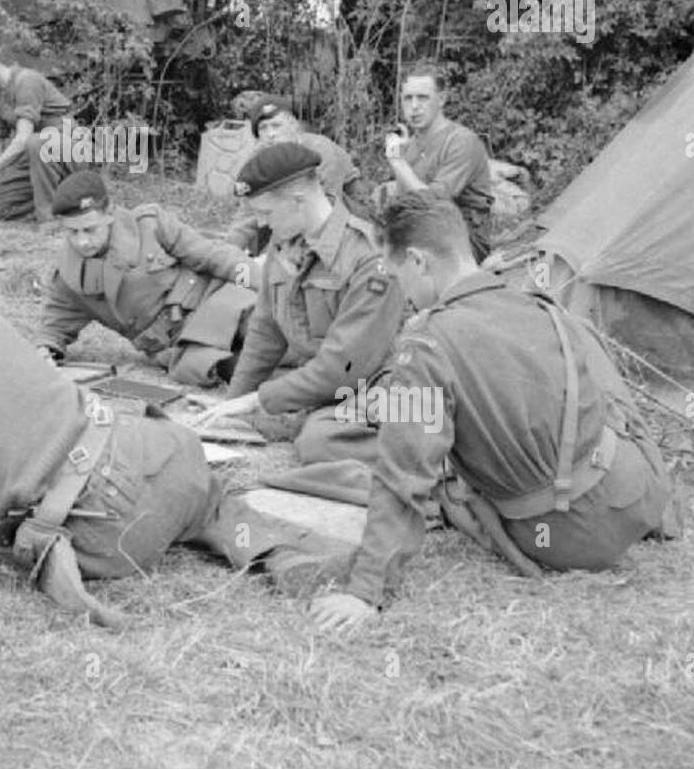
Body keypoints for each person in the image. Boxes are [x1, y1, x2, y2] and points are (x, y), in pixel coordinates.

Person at [0, 246, 367, 622]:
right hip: (164, 454)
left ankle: (245, 541)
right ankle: (277, 548)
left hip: (107, 530)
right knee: (202, 500)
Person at [311, 192, 678, 634]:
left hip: (570, 538)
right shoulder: (541, 305)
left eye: (398, 276)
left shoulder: (426, 345)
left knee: (443, 482)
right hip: (637, 491)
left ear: (419, 262)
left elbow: (403, 476)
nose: (403, 295)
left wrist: (364, 591)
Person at [195, 144, 406, 467]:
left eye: (265, 213)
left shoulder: (368, 257)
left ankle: (428, 454)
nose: (262, 225)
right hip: (327, 384)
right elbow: (265, 332)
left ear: (298, 200)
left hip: (379, 383)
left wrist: (259, 399)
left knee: (318, 442)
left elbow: (344, 367)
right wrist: (233, 404)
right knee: (266, 416)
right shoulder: (285, 242)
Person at [35, 171, 260, 386]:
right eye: (73, 232)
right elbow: (53, 328)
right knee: (243, 370)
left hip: (214, 302)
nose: (82, 241)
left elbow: (215, 257)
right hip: (182, 343)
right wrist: (45, 349)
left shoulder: (149, 224)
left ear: (109, 214)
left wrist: (256, 284)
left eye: (90, 229)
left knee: (266, 331)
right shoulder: (68, 277)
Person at [226, 95, 365, 255]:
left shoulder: (320, 150)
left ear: (293, 126)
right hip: (290, 208)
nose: (271, 134)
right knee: (259, 230)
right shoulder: (258, 159)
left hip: (346, 206)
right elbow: (247, 212)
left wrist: (281, 254)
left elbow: (324, 207)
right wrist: (227, 253)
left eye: (276, 125)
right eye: (263, 128)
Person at [383, 64, 494, 261]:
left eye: (422, 97)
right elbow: (404, 203)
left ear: (441, 99)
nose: (414, 106)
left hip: (463, 240)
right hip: (421, 231)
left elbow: (433, 203)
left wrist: (398, 162)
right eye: (408, 98)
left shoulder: (461, 141)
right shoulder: (409, 145)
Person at [0, 42, 75, 221]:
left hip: (70, 150)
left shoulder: (26, 81)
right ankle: (63, 200)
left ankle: (49, 217)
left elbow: (22, 140)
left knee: (36, 143)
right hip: (36, 158)